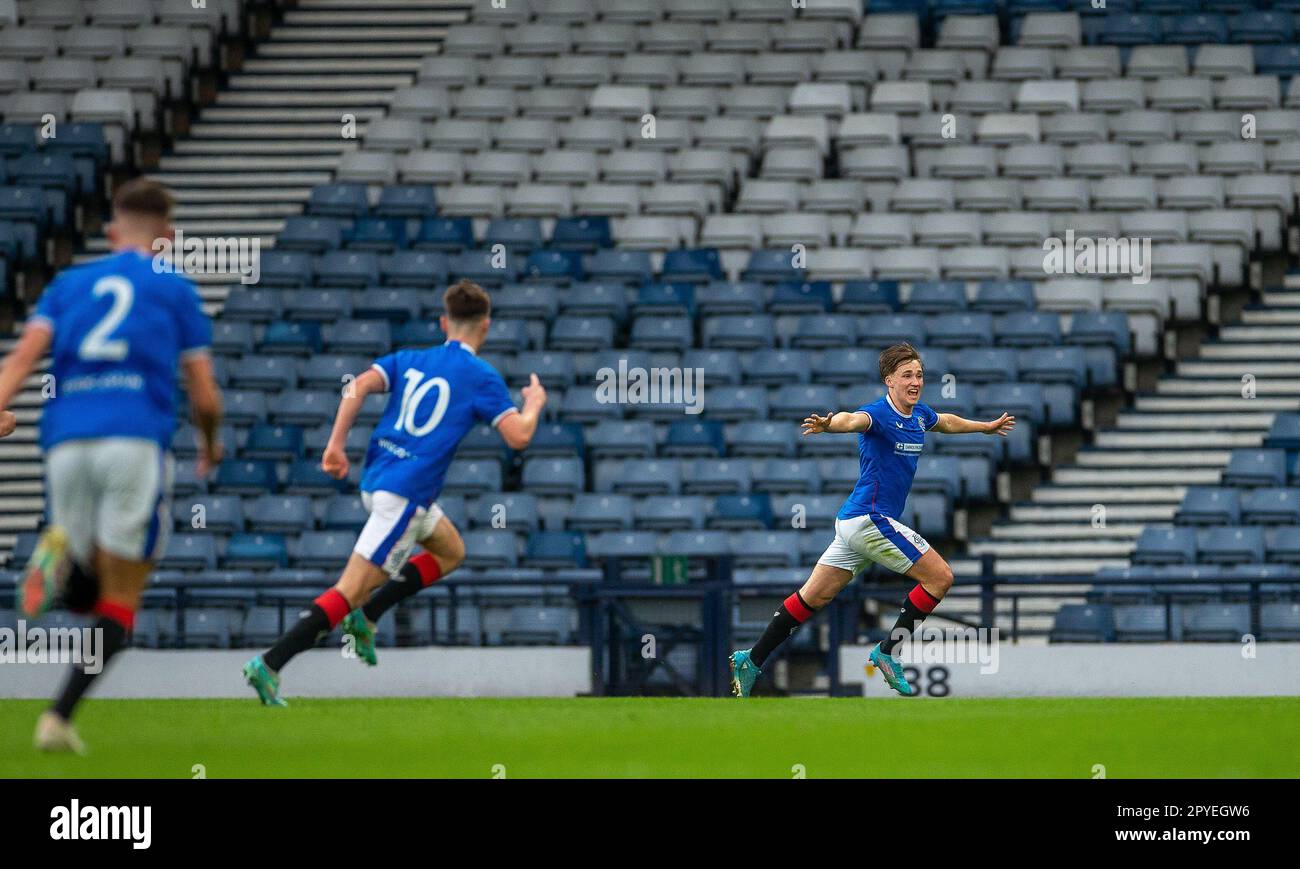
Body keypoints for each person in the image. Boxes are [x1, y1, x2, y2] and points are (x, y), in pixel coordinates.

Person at [242, 280, 547, 705]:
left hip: (381, 482)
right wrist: (533, 402)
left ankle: (367, 618)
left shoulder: (410, 359)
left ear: (444, 323)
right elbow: (519, 437)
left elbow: (357, 386)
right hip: (403, 499)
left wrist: (334, 444)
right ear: (486, 327)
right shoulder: (482, 377)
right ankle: (271, 664)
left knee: (451, 551)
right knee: (350, 589)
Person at [0, 178, 223, 751]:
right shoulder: (173, 288)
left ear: (110, 231)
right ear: (168, 238)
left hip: (65, 442)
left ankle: (60, 561)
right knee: (125, 593)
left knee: (90, 577)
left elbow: (22, 358)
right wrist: (210, 444)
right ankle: (57, 719)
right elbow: (203, 395)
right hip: (132, 440)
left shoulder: (69, 283)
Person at [728, 342, 1015, 698]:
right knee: (941, 577)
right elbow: (853, 419)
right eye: (906, 375)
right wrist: (829, 424)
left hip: (852, 524)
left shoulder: (920, 415)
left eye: (920, 375)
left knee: (812, 598)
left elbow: (947, 423)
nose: (915, 381)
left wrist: (984, 427)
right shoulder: (878, 414)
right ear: (889, 381)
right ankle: (888, 652)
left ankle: (751, 659)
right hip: (868, 519)